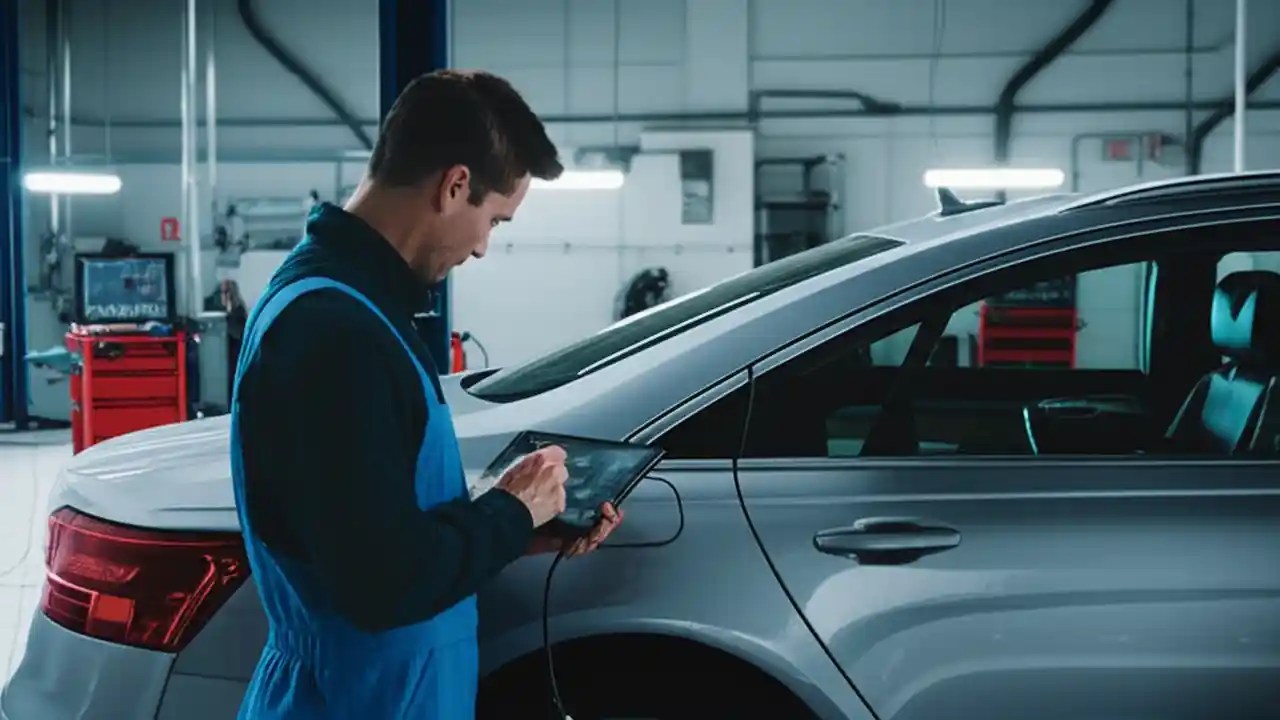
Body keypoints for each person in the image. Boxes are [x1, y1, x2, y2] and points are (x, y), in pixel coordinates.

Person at [230, 70, 624, 719]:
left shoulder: (341, 303)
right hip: (358, 701)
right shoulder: (339, 335)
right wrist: (506, 514)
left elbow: (368, 525)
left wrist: (516, 527)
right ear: (455, 185)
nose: (482, 248)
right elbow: (382, 583)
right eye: (492, 219)